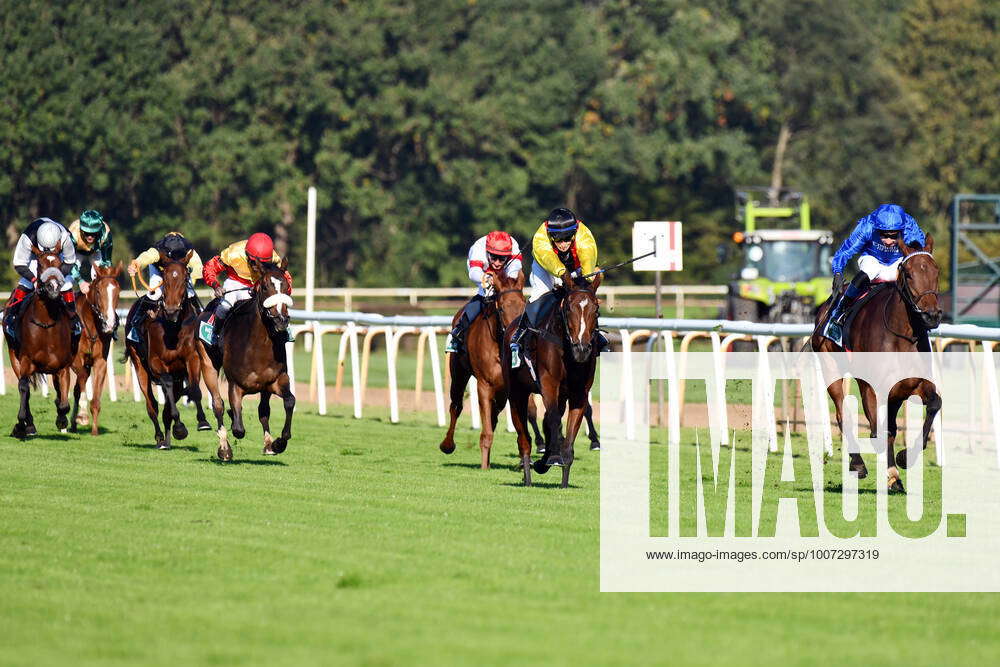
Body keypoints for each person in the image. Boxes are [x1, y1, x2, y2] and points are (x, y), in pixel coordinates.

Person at [509, 207, 606, 368]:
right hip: (546, 268)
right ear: (550, 235)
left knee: (585, 301)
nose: (563, 244)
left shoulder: (585, 238)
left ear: (574, 233)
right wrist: (562, 274)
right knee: (538, 297)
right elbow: (551, 262)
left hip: (577, 268)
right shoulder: (541, 237)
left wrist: (586, 279)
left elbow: (588, 270)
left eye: (567, 239)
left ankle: (598, 336)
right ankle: (519, 335)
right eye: (558, 239)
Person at [824, 203, 927, 345]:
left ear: (901, 230)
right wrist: (837, 272)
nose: (889, 241)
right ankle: (842, 309)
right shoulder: (868, 225)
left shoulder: (909, 226)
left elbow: (921, 254)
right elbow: (846, 250)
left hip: (898, 260)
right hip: (872, 258)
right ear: (877, 229)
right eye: (884, 236)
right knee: (870, 270)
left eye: (894, 236)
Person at [200, 232, 292, 346]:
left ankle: (284, 329)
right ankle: (215, 332)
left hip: (259, 286)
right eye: (253, 261)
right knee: (225, 306)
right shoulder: (233, 253)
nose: (256, 266)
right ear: (246, 254)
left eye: (262, 263)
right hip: (235, 283)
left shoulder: (275, 259)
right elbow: (210, 268)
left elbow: (286, 279)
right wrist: (216, 285)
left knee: (273, 305)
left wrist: (282, 294)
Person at [3, 217, 81, 347]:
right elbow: (19, 264)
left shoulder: (65, 237)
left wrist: (57, 277)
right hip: (36, 259)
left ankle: (74, 320)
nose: (48, 251)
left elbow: (69, 262)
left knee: (66, 284)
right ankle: (11, 317)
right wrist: (34, 280)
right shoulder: (28, 238)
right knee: (25, 284)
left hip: (58, 259)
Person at [445, 231, 522, 354]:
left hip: (505, 272)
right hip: (481, 270)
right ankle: (457, 332)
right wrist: (488, 279)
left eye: (502, 258)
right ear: (487, 252)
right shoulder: (478, 250)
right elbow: (474, 273)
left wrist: (507, 283)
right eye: (494, 257)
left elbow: (516, 267)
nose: (497, 262)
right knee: (486, 294)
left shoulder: (514, 246)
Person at [125, 232, 204, 345]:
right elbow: (144, 258)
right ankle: (135, 324)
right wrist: (135, 265)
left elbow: (198, 267)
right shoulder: (157, 250)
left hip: (180, 271)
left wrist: (192, 276)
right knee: (156, 293)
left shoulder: (188, 249)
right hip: (160, 270)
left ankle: (200, 320)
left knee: (190, 293)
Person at [69, 209, 113, 292]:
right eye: (86, 233)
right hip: (77, 252)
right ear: (81, 229)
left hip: (95, 251)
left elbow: (106, 261)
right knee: (69, 278)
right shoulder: (73, 234)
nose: (90, 237)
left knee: (102, 276)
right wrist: (81, 281)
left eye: (93, 233)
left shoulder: (106, 234)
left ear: (99, 230)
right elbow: (69, 262)